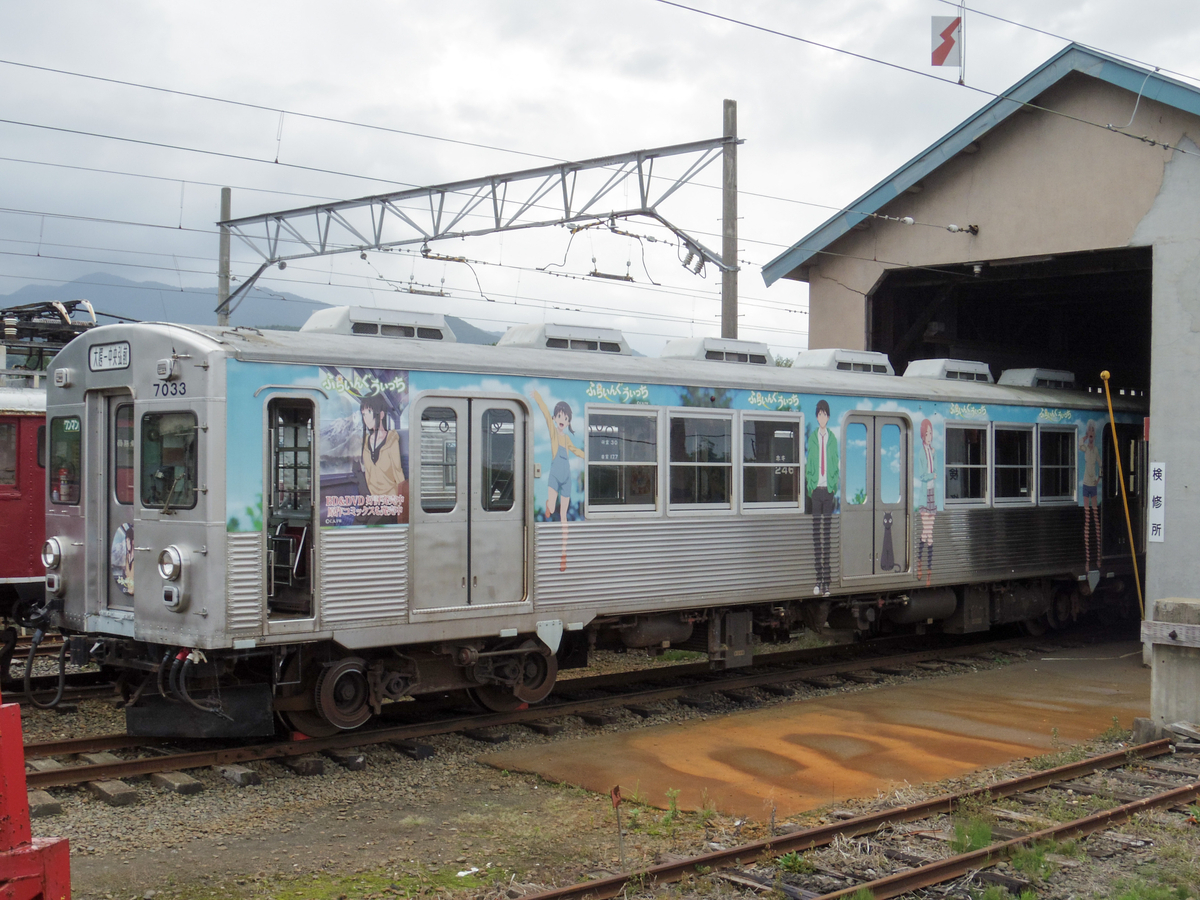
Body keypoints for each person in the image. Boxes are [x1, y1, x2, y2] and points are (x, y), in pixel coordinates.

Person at [533, 390, 584, 572]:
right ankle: (548, 505)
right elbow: (545, 413)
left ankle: (563, 555)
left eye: (566, 418)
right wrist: (538, 398)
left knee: (564, 518)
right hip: (555, 474)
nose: (562, 420)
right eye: (560, 416)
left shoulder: (567, 438)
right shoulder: (554, 434)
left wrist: (588, 456)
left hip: (567, 477)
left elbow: (576, 451)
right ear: (555, 418)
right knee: (552, 509)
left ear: (569, 421)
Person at [805, 400, 838, 596]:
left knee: (827, 536)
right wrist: (811, 485)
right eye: (819, 414)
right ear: (817, 416)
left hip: (829, 490)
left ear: (828, 417)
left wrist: (832, 484)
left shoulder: (832, 438)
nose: (822, 417)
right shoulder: (812, 438)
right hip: (816, 490)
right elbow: (810, 464)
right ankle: (818, 579)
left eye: (825, 414)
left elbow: (835, 463)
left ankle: (827, 580)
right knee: (817, 536)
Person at [360, 393, 407, 522]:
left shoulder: (392, 439)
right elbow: (368, 475)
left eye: (369, 412)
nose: (366, 418)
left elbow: (398, 474)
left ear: (381, 414)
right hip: (374, 503)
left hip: (391, 503)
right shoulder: (365, 442)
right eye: (363, 414)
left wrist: (402, 506)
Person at [917, 418, 936, 585]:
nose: (929, 436)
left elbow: (934, 470)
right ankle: (920, 565)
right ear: (923, 435)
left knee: (930, 536)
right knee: (926, 531)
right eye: (927, 433)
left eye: (931, 433)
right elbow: (922, 476)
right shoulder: (922, 453)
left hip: (933, 495)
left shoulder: (932, 451)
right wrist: (933, 475)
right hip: (924, 496)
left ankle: (927, 569)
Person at [1081, 421, 1102, 571]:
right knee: (1087, 520)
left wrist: (1098, 480)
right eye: (1089, 433)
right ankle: (1088, 560)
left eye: (1092, 434)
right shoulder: (1085, 449)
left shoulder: (1095, 451)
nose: (1090, 436)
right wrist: (1084, 436)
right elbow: (1078, 444)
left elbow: (1101, 465)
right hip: (1085, 485)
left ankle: (1098, 556)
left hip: (1093, 485)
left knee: (1095, 519)